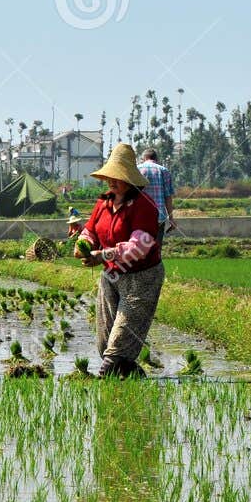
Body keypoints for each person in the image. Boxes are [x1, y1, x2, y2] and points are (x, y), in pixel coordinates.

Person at [79, 143, 164, 378]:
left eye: (118, 177)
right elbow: (91, 230)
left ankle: (105, 375)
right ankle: (131, 373)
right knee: (105, 341)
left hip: (141, 276)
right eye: (110, 177)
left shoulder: (144, 206)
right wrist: (83, 244)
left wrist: (102, 255)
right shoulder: (103, 203)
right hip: (112, 275)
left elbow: (139, 248)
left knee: (121, 337)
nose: (112, 182)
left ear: (130, 178)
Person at [137, 148, 176, 241]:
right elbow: (168, 197)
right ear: (156, 159)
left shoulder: (137, 170)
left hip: (139, 217)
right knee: (156, 249)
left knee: (139, 250)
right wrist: (171, 218)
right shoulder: (164, 171)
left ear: (144, 158)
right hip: (158, 218)